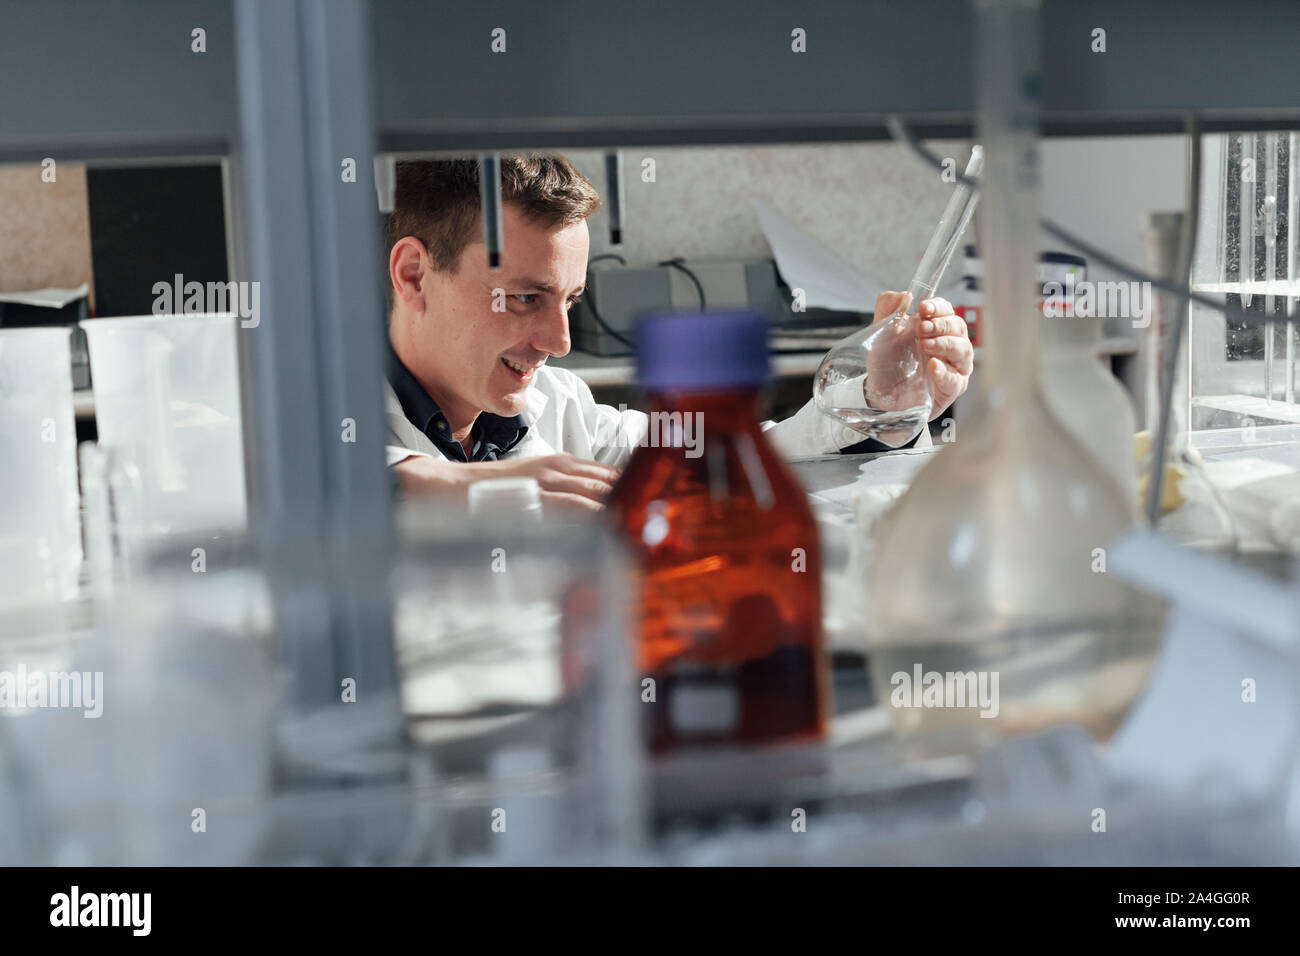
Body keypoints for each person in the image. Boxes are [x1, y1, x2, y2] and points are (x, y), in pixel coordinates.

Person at [384, 156, 973, 512]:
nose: (560, 341)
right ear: (415, 275)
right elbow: (338, 490)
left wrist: (880, 403)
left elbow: (736, 453)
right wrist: (477, 492)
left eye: (571, 300)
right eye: (525, 298)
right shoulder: (323, 426)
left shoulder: (563, 410)